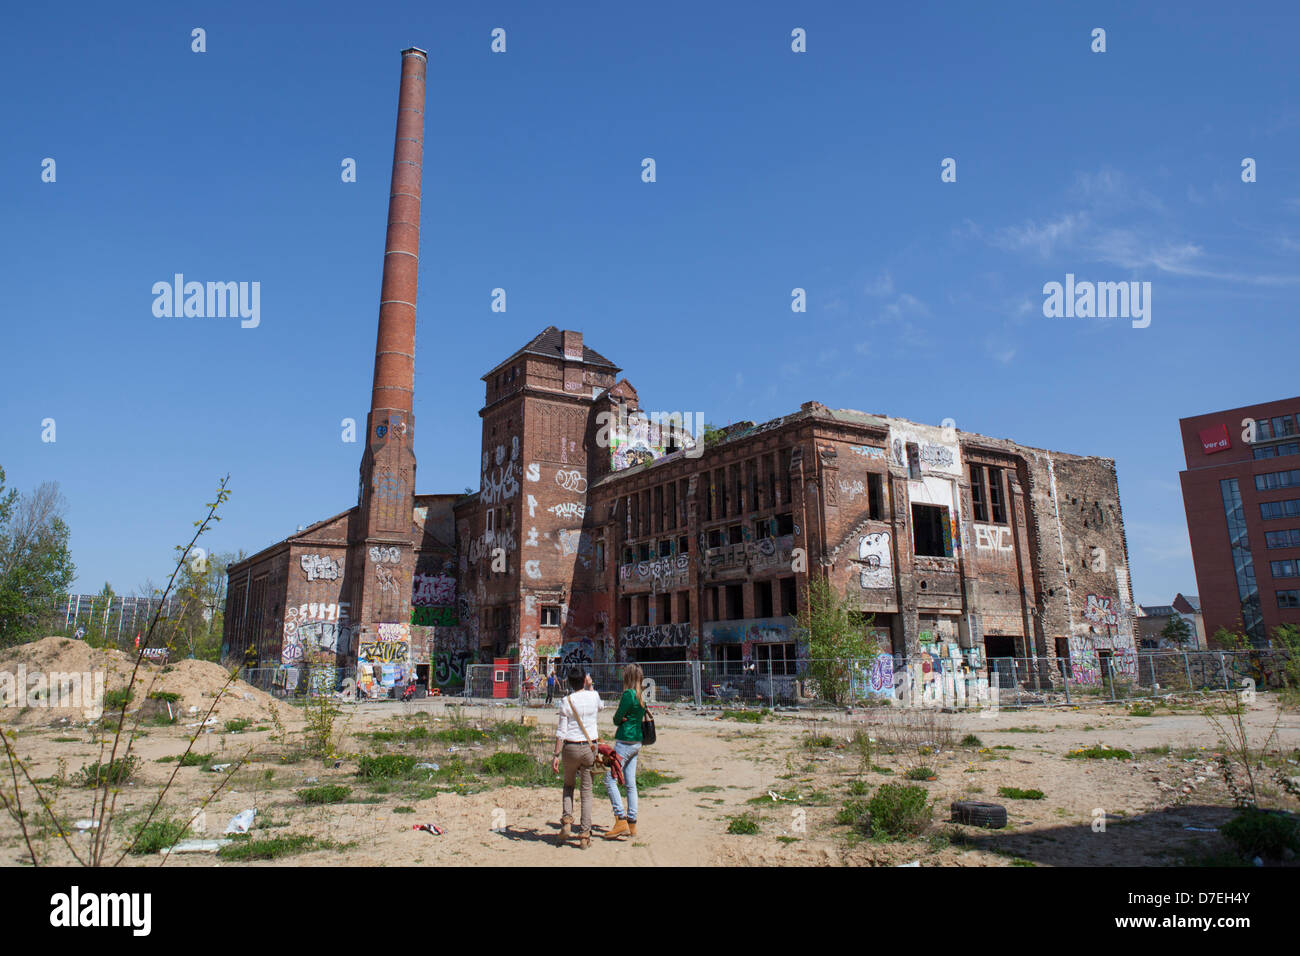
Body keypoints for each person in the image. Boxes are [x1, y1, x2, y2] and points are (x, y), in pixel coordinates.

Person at [552, 666, 604, 848]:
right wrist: (590, 686)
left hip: (570, 747)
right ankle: (584, 834)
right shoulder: (594, 696)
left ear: (569, 682)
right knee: (587, 791)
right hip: (590, 747)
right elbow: (601, 707)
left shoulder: (566, 701)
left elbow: (561, 731)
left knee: (568, 785)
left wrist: (556, 754)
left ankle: (567, 821)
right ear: (584, 680)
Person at [603, 663, 646, 840]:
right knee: (630, 783)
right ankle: (632, 823)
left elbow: (616, 718)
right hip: (637, 741)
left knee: (609, 779)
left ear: (627, 677)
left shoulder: (628, 695)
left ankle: (620, 818)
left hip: (625, 741)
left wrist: (622, 718)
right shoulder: (640, 696)